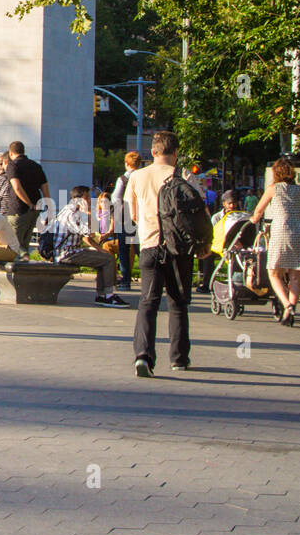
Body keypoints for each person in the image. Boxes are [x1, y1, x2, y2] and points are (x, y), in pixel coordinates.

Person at [126, 130, 206, 376]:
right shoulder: (184, 177)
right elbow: (199, 213)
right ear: (176, 152)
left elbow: (132, 215)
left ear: (153, 152)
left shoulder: (137, 176)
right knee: (178, 303)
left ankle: (143, 356)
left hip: (150, 246)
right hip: (179, 248)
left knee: (147, 303)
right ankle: (179, 358)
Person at [252, 159, 300, 327]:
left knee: (273, 272)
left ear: (275, 173)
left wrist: (253, 219)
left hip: (281, 229)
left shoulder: (273, 189)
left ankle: (287, 304)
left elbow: (258, 210)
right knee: (295, 275)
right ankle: (291, 309)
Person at [52, 186, 127, 306]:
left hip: (69, 251)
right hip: (67, 253)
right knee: (107, 259)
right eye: (87, 197)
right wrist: (87, 213)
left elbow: (86, 237)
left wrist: (101, 250)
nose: (89, 200)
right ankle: (109, 295)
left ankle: (102, 295)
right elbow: (89, 233)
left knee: (104, 257)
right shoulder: (72, 214)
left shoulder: (68, 210)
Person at [5, 141, 51, 261]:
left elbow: (16, 187)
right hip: (36, 208)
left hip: (18, 209)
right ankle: (23, 269)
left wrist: (28, 203)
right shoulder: (36, 166)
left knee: (14, 241)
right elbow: (45, 188)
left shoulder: (12, 165)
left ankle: (20, 262)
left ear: (11, 153)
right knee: (25, 240)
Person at [198, 188, 250, 293]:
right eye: (229, 203)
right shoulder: (217, 217)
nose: (232, 206)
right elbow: (212, 234)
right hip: (219, 245)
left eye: (234, 203)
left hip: (236, 245)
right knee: (208, 256)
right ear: (224, 204)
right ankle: (207, 283)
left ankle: (240, 282)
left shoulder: (242, 216)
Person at [111, 151, 143, 289]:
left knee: (124, 250)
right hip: (142, 218)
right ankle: (150, 279)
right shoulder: (143, 177)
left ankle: (125, 281)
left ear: (127, 163)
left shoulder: (122, 179)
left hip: (125, 218)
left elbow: (116, 199)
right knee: (141, 249)